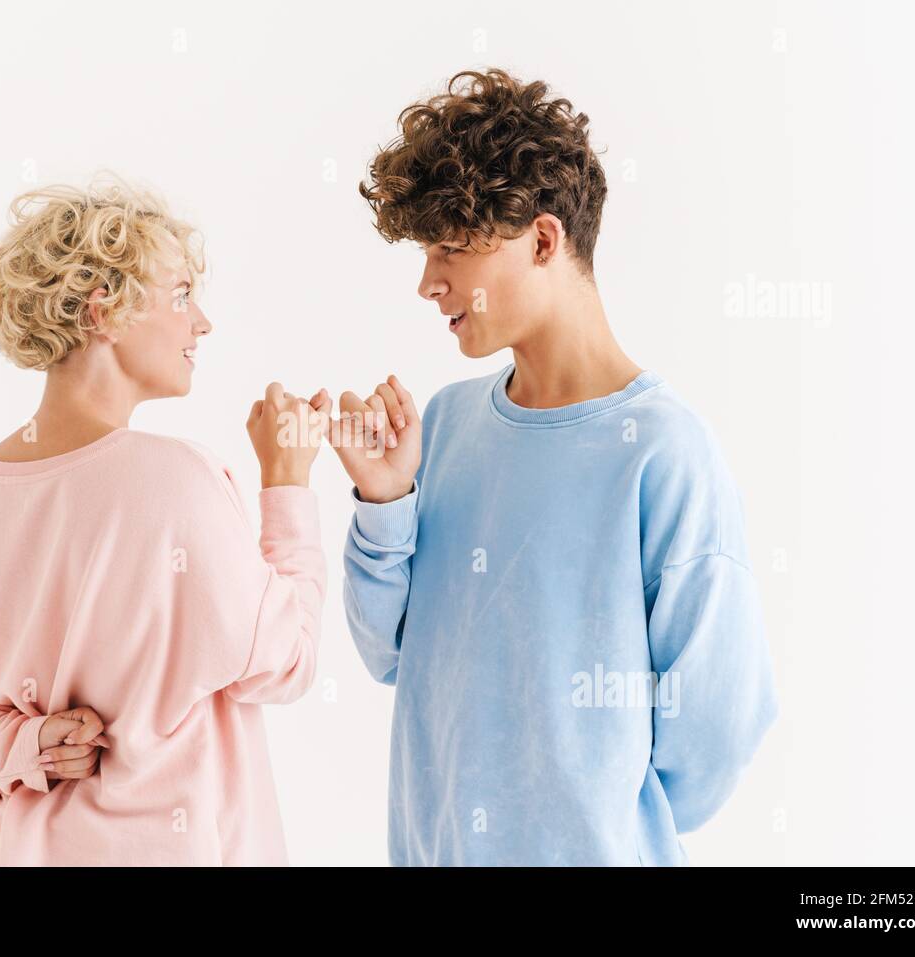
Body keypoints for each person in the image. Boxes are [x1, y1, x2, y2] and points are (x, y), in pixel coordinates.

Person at [328, 69, 780, 865]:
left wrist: (591, 818)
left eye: (448, 248)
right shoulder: (448, 423)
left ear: (543, 239)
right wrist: (384, 498)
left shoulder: (664, 454)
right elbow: (390, 656)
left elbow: (716, 725)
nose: (429, 283)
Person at [0, 175, 330, 865]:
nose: (201, 323)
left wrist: (22, 745)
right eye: (181, 297)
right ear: (105, 314)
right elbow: (287, 661)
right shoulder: (179, 480)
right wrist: (289, 480)